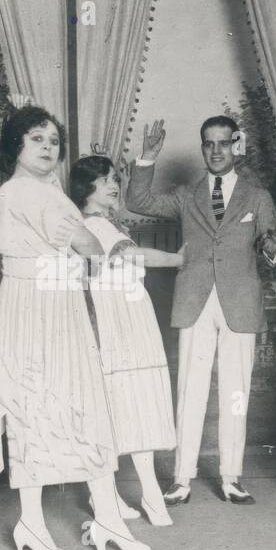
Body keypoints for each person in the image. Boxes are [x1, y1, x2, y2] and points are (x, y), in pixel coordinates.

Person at [0, 105, 149, 550]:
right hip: (34, 307)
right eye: (38, 139)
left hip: (57, 302)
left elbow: (82, 242)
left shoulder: (42, 191)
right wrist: (102, 246)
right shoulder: (21, 192)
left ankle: (106, 519)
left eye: (54, 141)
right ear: (16, 145)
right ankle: (33, 524)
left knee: (81, 406)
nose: (48, 148)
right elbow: (85, 242)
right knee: (35, 408)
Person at [126, 116, 276, 506]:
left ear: (235, 145)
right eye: (207, 144)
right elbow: (138, 202)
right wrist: (147, 157)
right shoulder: (186, 195)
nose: (215, 151)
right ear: (202, 148)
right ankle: (182, 478)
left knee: (236, 393)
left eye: (222, 143)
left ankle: (231, 477)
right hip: (195, 301)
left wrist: (271, 246)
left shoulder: (257, 195)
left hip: (240, 303)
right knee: (190, 391)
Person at [69, 155, 185, 527]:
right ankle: (144, 496)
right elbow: (130, 256)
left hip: (129, 316)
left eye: (114, 177)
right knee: (127, 407)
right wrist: (177, 258)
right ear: (87, 189)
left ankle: (127, 497)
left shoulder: (104, 223)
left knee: (131, 408)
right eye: (105, 180)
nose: (113, 184)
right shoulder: (92, 225)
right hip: (116, 320)